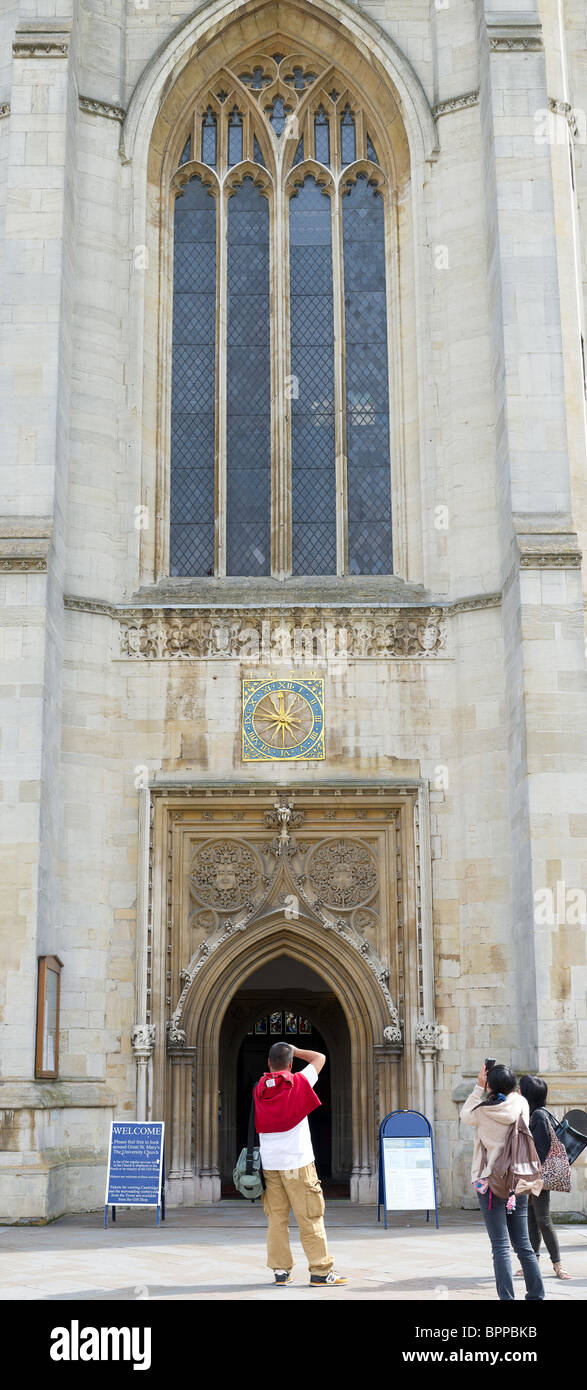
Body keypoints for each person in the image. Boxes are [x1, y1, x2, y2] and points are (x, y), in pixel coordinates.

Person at [254, 1040, 347, 1287]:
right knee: (310, 1217)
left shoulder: (259, 1087)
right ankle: (320, 1271)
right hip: (298, 1162)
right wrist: (295, 1050)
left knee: (276, 1219)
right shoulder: (299, 1080)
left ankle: (281, 1271)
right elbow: (320, 1058)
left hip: (270, 1164)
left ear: (268, 1063)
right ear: (291, 1063)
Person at [461, 1062, 544, 1301]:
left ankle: (507, 1297)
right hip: (517, 1180)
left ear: (490, 1084)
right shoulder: (521, 1104)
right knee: (523, 1245)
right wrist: (500, 1083)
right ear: (513, 1085)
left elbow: (464, 1114)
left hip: (489, 1182)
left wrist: (479, 1086)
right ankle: (536, 1294)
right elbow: (514, 1095)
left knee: (500, 1246)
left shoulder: (481, 1110)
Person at [514, 1075, 571, 1281]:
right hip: (529, 1174)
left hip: (538, 1175)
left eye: (521, 1089)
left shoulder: (538, 1115)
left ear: (529, 1093)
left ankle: (558, 1265)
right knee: (530, 1218)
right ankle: (533, 1262)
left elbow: (541, 1149)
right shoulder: (531, 1113)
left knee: (543, 1219)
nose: (518, 1091)